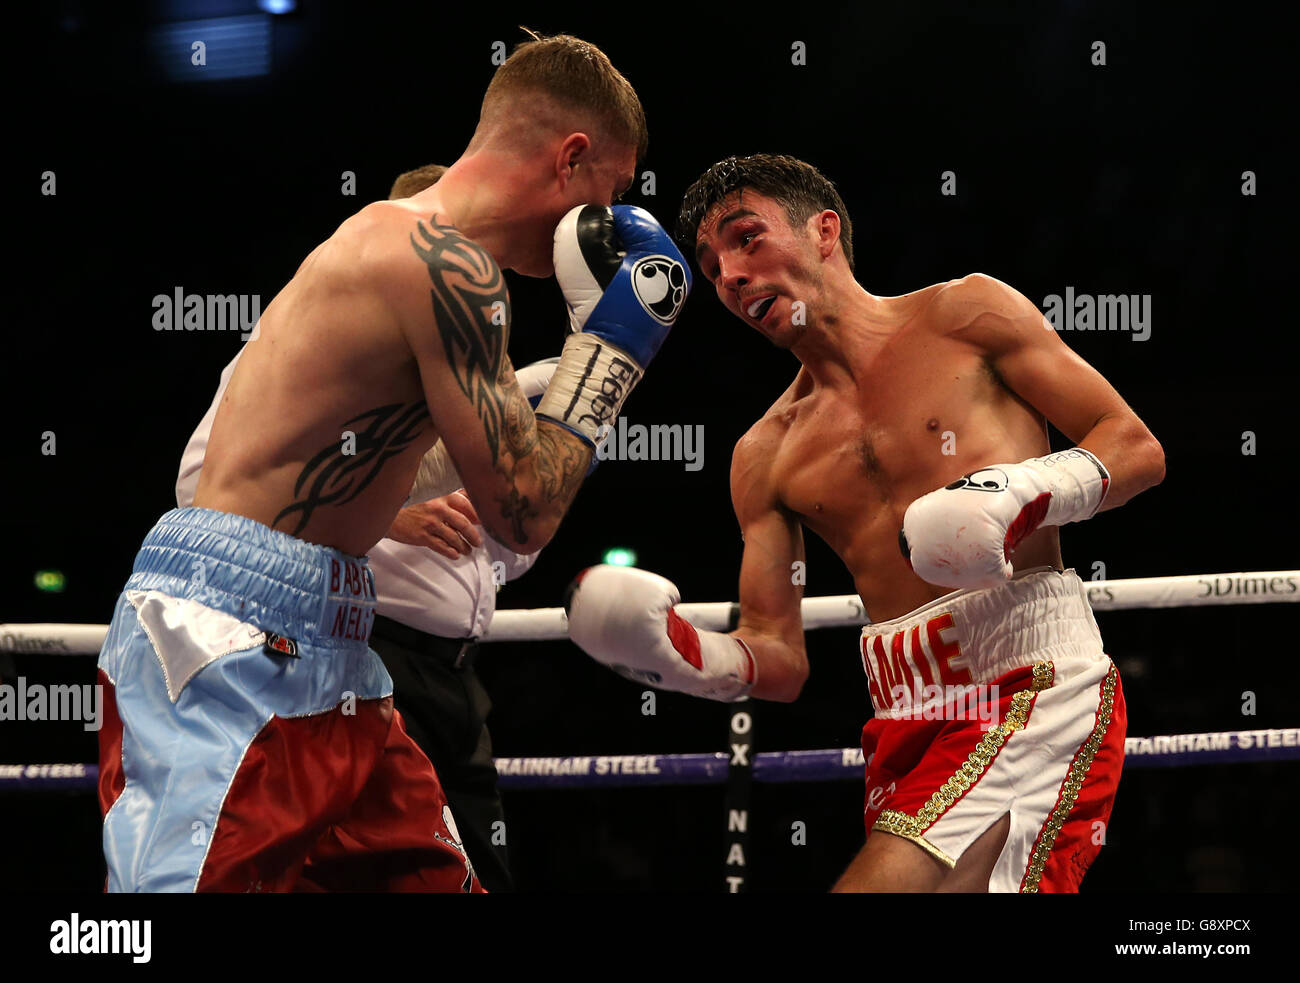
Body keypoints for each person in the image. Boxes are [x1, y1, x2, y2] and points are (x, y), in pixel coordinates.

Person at [96, 31, 688, 892]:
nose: (613, 213)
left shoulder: (432, 262)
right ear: (572, 158)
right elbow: (522, 508)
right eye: (617, 186)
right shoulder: (444, 264)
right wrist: (615, 352)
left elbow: (395, 465)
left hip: (340, 651)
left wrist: (559, 384)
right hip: (230, 644)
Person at [566, 153, 1164, 892]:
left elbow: (1132, 444)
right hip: (901, 720)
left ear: (825, 230)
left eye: (746, 238)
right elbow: (778, 657)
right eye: (713, 265)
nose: (729, 275)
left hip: (1031, 681)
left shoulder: (966, 315)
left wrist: (1020, 490)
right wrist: (682, 655)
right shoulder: (765, 453)